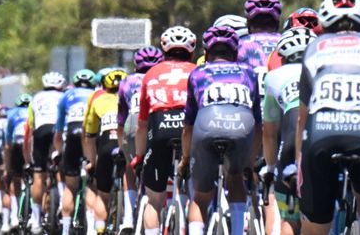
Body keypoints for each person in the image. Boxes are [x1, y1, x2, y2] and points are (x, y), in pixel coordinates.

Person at [298, 0, 360, 235]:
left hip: (320, 132)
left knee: (316, 221)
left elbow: (303, 115)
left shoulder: (313, 48)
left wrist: (301, 161)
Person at [183, 25, 261, 235]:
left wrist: (184, 159)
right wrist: (250, 164)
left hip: (206, 127)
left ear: (206, 53)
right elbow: (258, 123)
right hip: (241, 127)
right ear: (236, 53)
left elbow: (188, 126)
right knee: (235, 178)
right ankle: (237, 231)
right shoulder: (249, 73)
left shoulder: (198, 73)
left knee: (200, 196)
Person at [133, 25, 198, 235]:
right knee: (199, 194)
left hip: (159, 127)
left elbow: (142, 125)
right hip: (189, 127)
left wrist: (140, 156)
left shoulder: (151, 73)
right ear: (191, 51)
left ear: (163, 51)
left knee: (154, 200)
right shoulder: (197, 71)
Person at [262, 26, 314, 235]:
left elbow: (269, 132)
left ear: (282, 57)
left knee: (289, 217)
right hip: (321, 131)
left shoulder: (273, 77)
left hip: (290, 138)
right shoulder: (323, 69)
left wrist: (271, 167)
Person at [118, 46, 162, 230]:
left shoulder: (126, 82)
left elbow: (120, 120)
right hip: (157, 120)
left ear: (136, 66)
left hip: (133, 122)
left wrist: (123, 150)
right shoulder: (160, 77)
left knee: (129, 167)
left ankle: (128, 218)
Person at [84, 68, 127, 235]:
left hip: (106, 144)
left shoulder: (98, 100)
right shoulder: (129, 96)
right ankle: (129, 219)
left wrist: (92, 163)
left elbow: (90, 136)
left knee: (102, 194)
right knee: (130, 181)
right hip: (124, 143)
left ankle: (99, 230)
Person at [55, 70, 96, 235]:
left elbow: (58, 131)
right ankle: (92, 229)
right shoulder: (95, 94)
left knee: (70, 187)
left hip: (71, 133)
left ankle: (65, 229)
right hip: (89, 135)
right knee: (93, 185)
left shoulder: (66, 96)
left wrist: (58, 153)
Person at [27, 72, 66, 235]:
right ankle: (65, 203)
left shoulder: (35, 98)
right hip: (59, 131)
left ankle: (36, 221)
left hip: (41, 131)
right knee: (63, 168)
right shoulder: (64, 96)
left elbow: (31, 125)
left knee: (38, 176)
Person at [3, 94, 33, 234]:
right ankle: (36, 215)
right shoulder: (35, 110)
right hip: (32, 144)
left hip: (17, 144)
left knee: (15, 181)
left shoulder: (12, 114)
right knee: (38, 177)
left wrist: (7, 167)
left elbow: (8, 144)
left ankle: (15, 217)